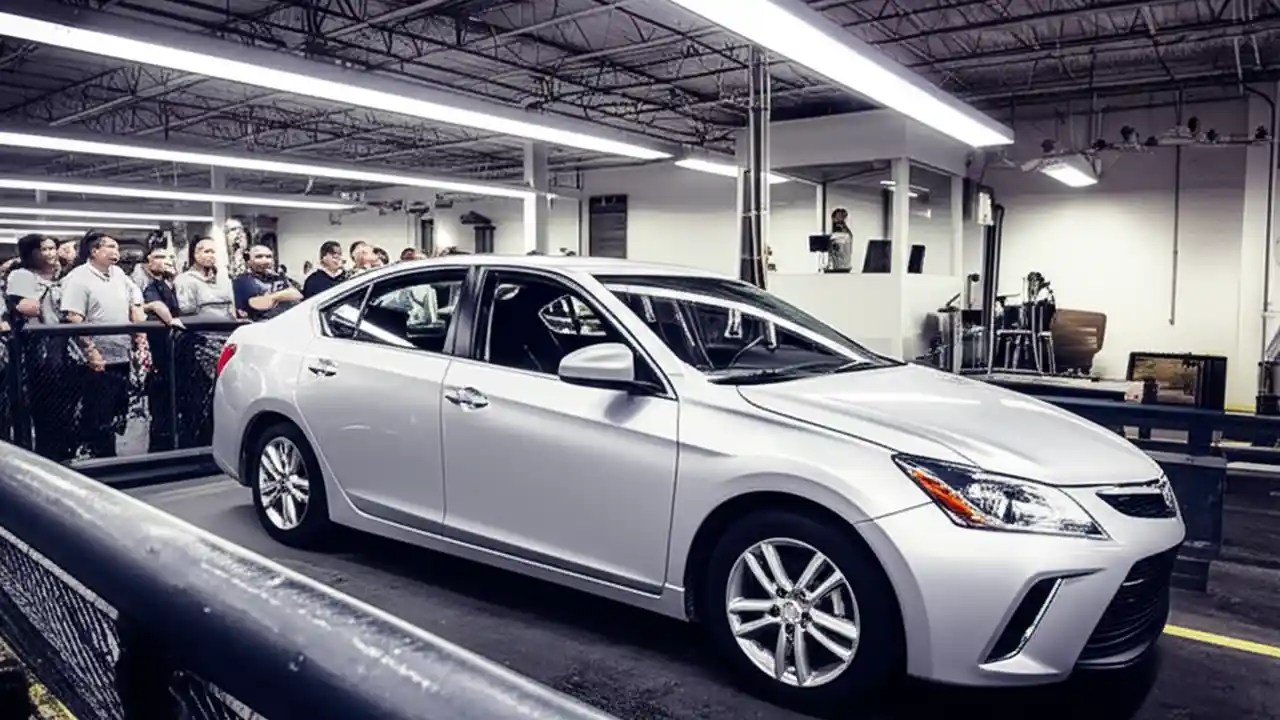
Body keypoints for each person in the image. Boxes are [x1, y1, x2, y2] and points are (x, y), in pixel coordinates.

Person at [60, 232, 148, 458]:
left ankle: (108, 456)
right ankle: (95, 460)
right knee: (96, 414)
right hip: (93, 360)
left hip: (120, 354)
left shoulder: (118, 273)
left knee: (116, 413)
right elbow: (73, 317)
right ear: (94, 251)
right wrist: (91, 352)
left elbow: (135, 295)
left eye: (117, 247)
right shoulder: (78, 278)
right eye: (109, 247)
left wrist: (138, 314)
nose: (116, 252)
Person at [4, 234, 78, 460]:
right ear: (30, 253)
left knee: (67, 397)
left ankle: (65, 447)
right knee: (43, 399)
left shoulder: (62, 276)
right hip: (37, 343)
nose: (50, 253)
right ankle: (46, 450)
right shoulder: (22, 276)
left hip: (63, 341)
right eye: (43, 249)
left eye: (52, 248)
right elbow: (28, 308)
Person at [174, 236, 235, 447]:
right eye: (204, 251)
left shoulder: (224, 278)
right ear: (194, 254)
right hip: (199, 343)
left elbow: (231, 310)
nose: (209, 255)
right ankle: (198, 443)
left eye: (212, 251)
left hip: (226, 340)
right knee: (200, 398)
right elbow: (187, 313)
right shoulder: (185, 280)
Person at [138, 246, 183, 452]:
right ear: (148, 261)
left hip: (179, 352)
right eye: (159, 257)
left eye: (169, 257)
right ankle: (160, 448)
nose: (165, 261)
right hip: (160, 351)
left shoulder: (174, 284)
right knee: (162, 401)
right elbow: (156, 305)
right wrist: (170, 319)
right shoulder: (151, 285)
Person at [232, 244, 302, 322]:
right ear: (249, 260)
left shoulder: (278, 276)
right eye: (259, 256)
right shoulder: (243, 280)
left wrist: (273, 298)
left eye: (268, 256)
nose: (264, 260)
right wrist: (282, 296)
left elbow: (297, 295)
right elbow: (258, 304)